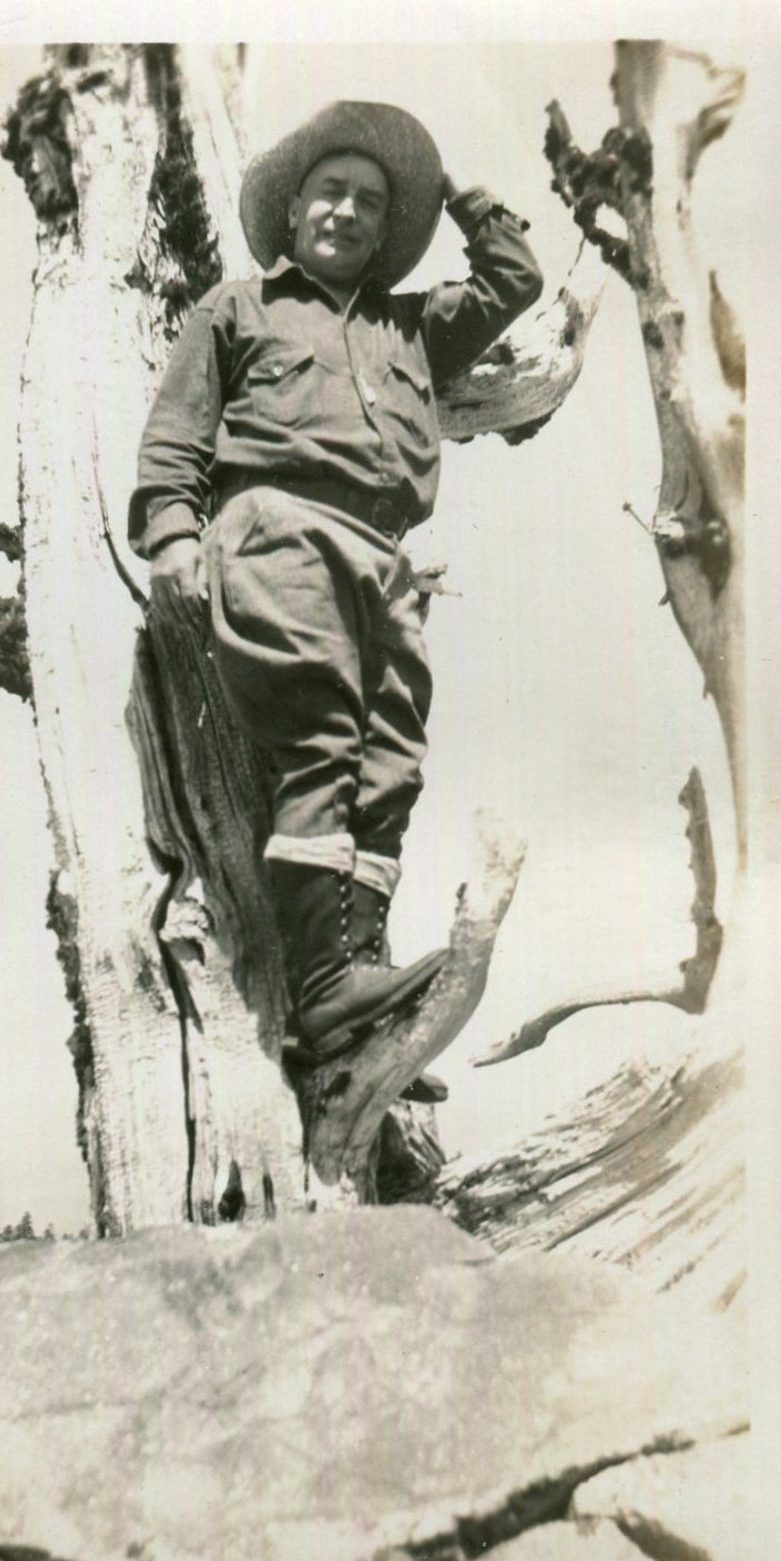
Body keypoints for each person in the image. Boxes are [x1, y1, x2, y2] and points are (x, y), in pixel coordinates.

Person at [129, 100, 542, 1070]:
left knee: (389, 762)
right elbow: (179, 432)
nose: (347, 214)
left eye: (369, 201)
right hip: (278, 531)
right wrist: (173, 538)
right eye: (330, 194)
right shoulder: (238, 308)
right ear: (293, 211)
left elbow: (514, 278)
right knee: (322, 735)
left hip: (388, 558)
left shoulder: (415, 325)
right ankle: (323, 986)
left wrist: (456, 196)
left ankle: (352, 989)